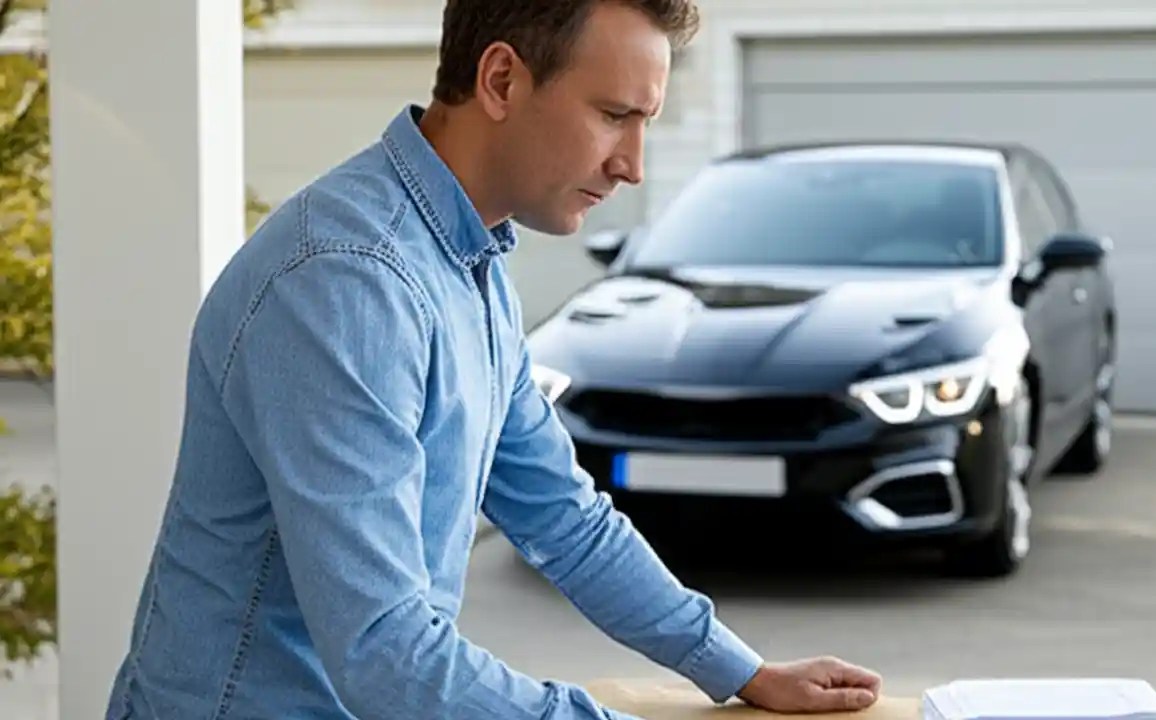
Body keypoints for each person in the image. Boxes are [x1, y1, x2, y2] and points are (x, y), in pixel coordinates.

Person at [105, 0, 883, 718]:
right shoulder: (344, 281)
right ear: (502, 79)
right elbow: (385, 650)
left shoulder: (466, 265)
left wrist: (740, 672)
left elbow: (565, 519)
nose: (633, 165)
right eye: (615, 116)